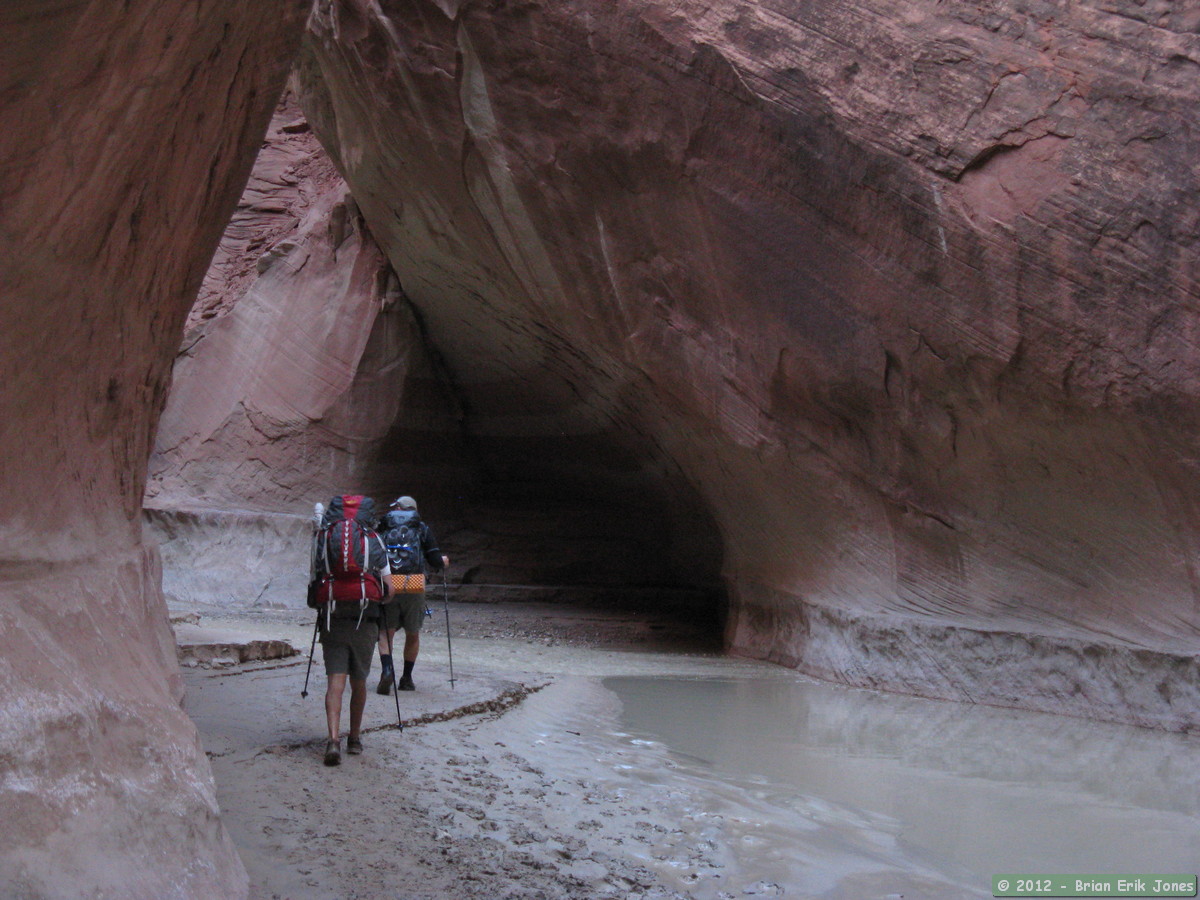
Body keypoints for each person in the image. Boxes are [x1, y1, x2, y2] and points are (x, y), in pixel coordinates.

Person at [311, 494, 394, 766]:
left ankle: (333, 740)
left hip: (333, 618)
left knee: (335, 682)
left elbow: (314, 581)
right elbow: (389, 588)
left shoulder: (324, 537)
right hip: (365, 618)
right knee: (359, 681)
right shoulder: (373, 539)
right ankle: (355, 738)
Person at [376, 495, 448, 693]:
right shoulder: (421, 528)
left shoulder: (384, 525)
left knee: (385, 632)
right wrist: (444, 561)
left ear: (398, 508)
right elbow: (435, 560)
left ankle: (387, 669)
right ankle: (407, 678)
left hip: (389, 584)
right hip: (414, 585)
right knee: (413, 633)